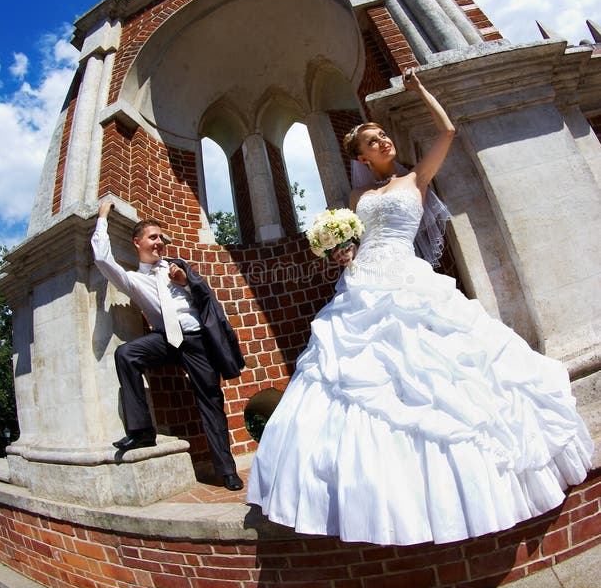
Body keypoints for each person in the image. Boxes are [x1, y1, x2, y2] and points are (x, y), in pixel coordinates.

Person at [247, 69, 593, 545]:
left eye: (383, 135)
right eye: (372, 140)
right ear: (361, 158)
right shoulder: (357, 196)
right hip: (362, 281)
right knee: (361, 373)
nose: (383, 141)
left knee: (434, 372)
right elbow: (356, 238)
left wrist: (419, 91)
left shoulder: (418, 178)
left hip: (406, 277)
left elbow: (447, 131)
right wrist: (341, 250)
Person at [91, 201, 245, 491]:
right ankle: (142, 431)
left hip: (197, 340)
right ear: (138, 243)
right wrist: (102, 218)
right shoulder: (134, 280)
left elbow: (206, 298)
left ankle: (227, 471)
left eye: (161, 237)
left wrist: (186, 282)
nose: (159, 242)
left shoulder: (178, 266)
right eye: (153, 237)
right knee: (126, 354)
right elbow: (102, 260)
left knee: (211, 402)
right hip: (166, 340)